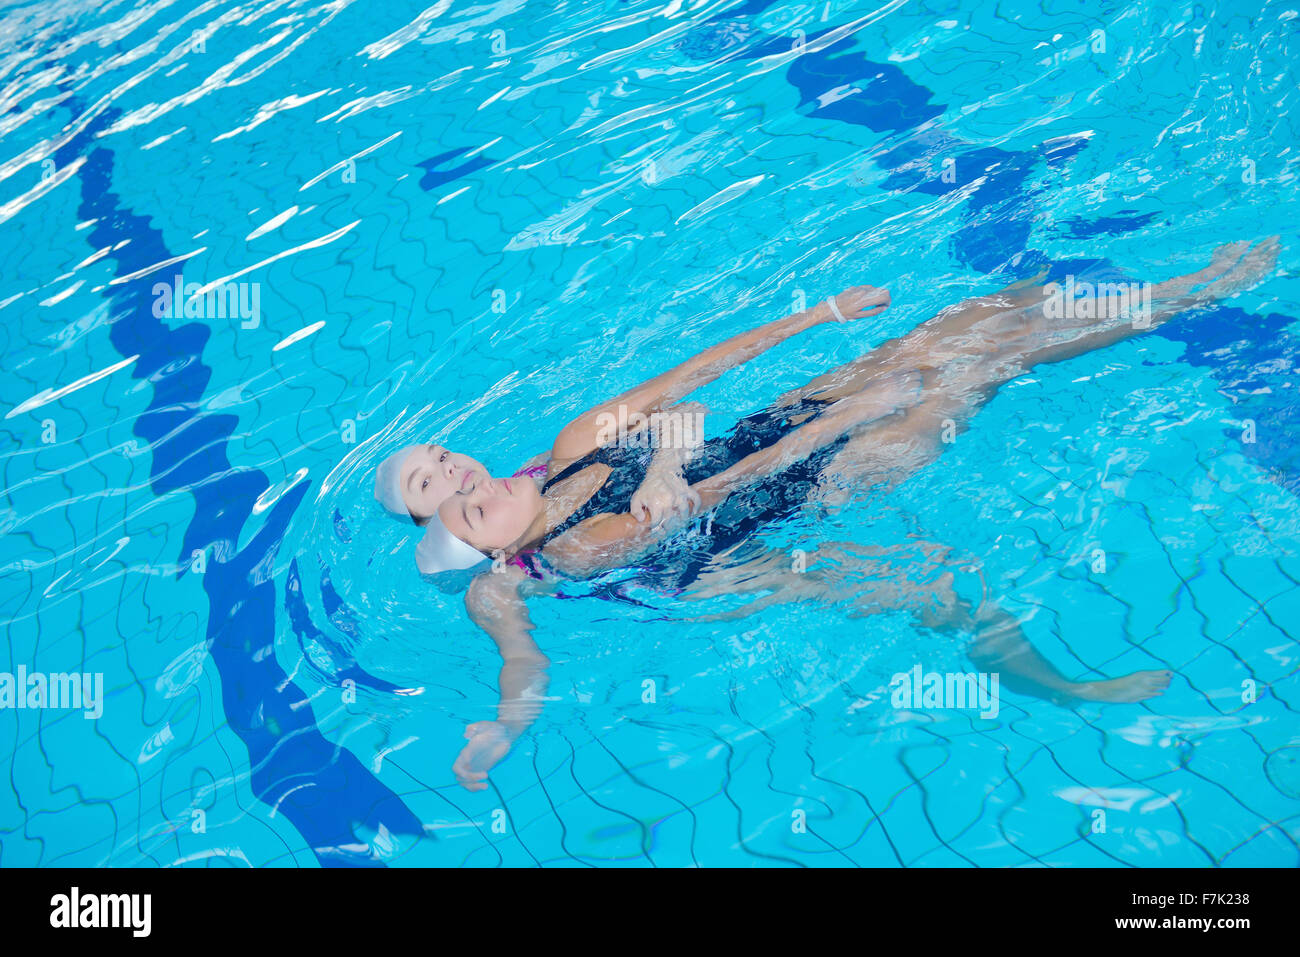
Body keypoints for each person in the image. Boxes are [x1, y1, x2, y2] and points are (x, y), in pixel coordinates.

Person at [379, 239, 1280, 790]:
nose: (463, 480)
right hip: (780, 505)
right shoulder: (564, 553)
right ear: (471, 546)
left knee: (962, 324)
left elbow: (695, 378)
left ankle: (1164, 289)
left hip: (748, 443)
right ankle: (1067, 689)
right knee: (943, 554)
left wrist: (822, 315)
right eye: (444, 497)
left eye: (450, 467)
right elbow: (717, 499)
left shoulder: (572, 442)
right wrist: (852, 415)